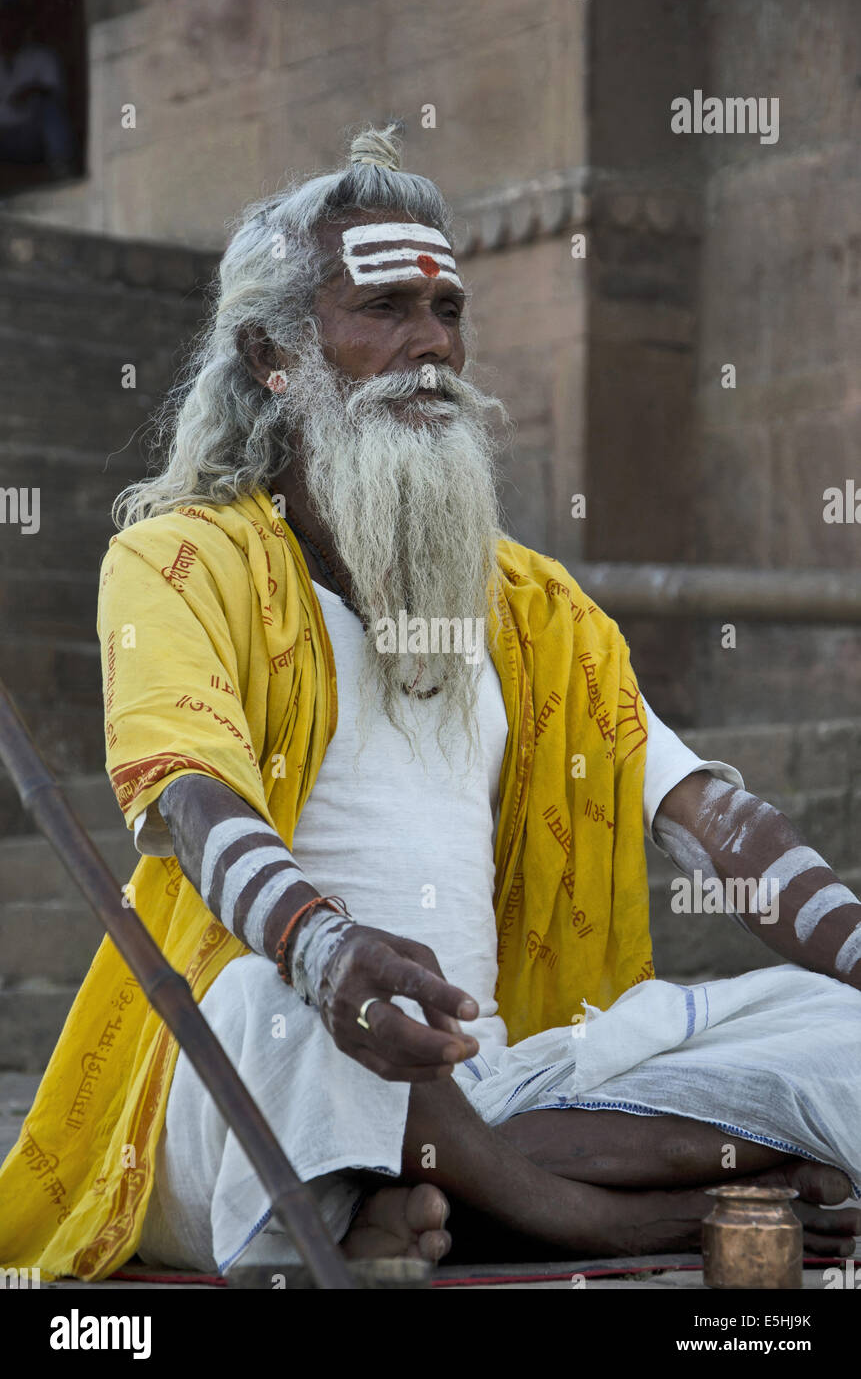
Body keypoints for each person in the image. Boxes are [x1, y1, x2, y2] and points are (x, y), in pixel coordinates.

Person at [1, 123, 860, 1281]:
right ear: (274, 354)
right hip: (282, 1053)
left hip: (497, 1076)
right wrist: (329, 950)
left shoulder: (528, 605)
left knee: (835, 1029)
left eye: (448, 310)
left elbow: (717, 817)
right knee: (260, 1005)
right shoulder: (178, 560)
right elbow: (190, 793)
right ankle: (592, 1208)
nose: (433, 347)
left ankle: (460, 1185)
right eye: (387, 311)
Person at [0, 0, 76, 179]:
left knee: (49, 105)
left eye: (13, 18)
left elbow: (56, 97)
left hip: (33, 138)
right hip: (3, 139)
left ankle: (62, 167)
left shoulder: (43, 57)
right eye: (3, 19)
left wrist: (33, 89)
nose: (8, 25)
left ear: (24, 22)